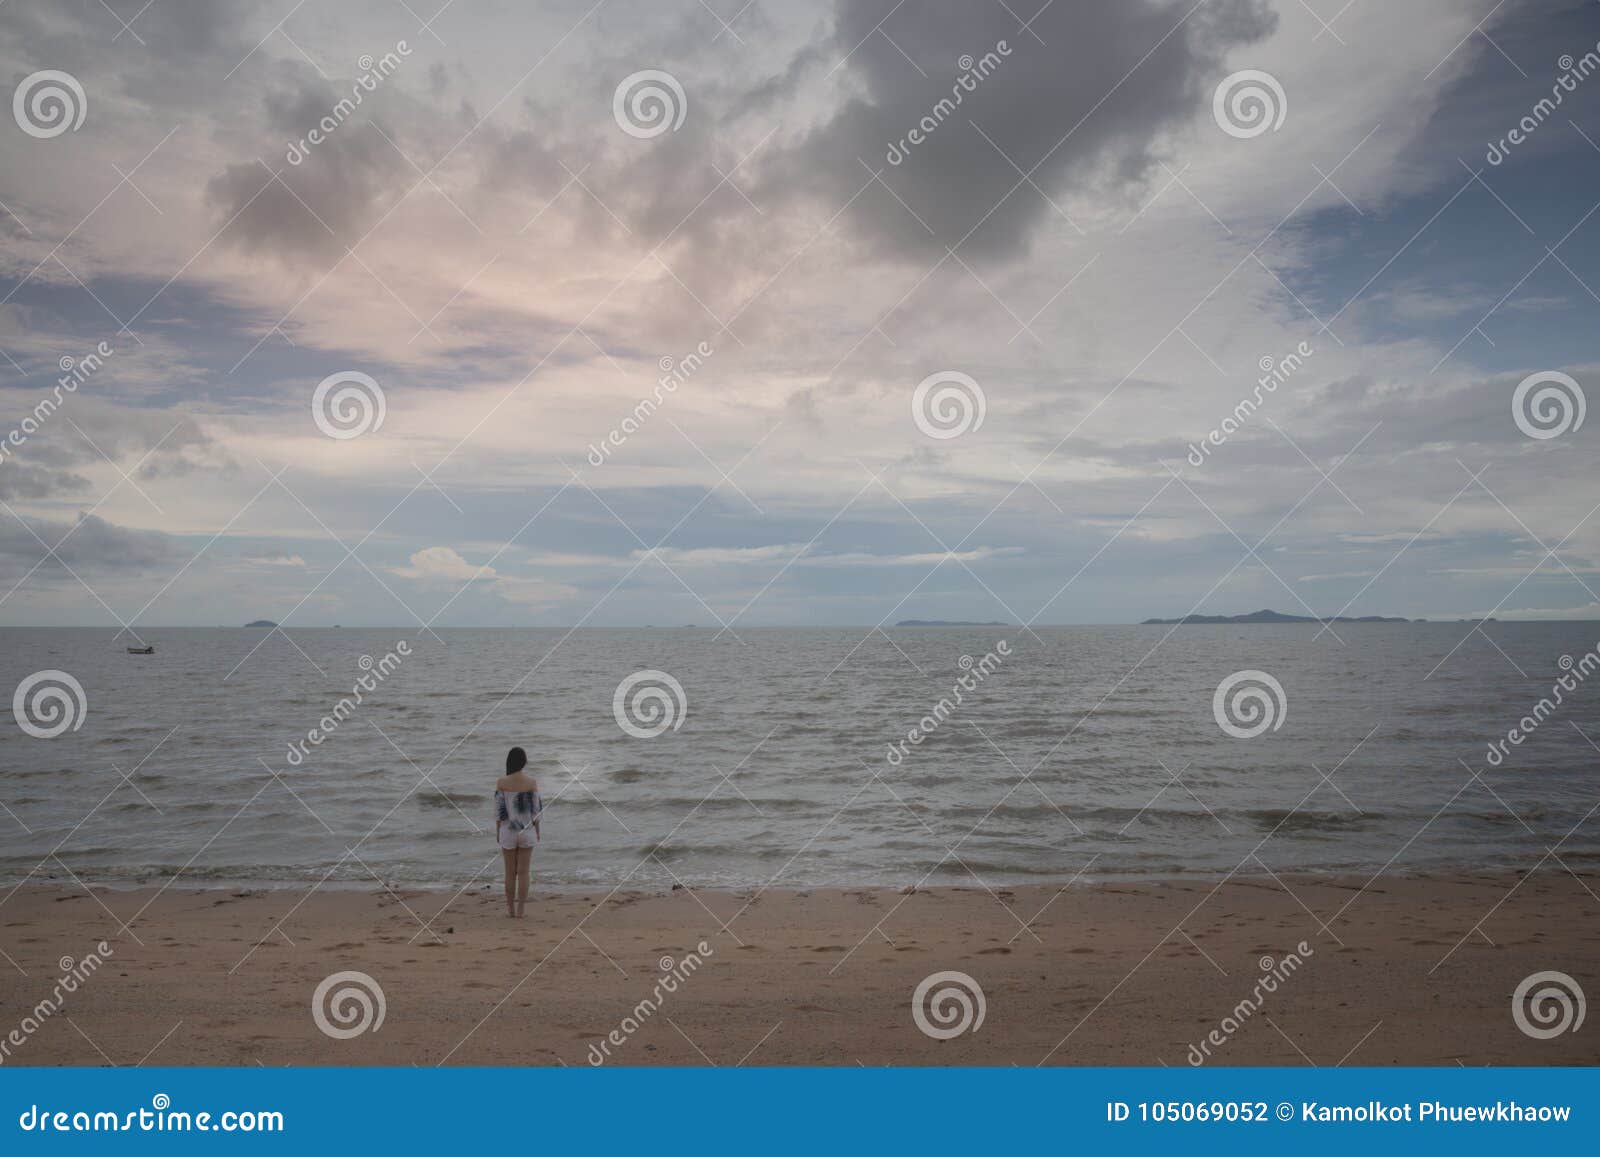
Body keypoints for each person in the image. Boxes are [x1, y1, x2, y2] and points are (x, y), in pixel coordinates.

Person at [494, 747, 542, 918]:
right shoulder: (531, 782)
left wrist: (498, 830)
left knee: (509, 872)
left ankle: (510, 910)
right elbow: (536, 811)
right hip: (526, 829)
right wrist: (537, 831)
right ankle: (521, 910)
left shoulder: (501, 782)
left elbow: (499, 811)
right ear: (524, 762)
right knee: (523, 872)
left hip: (508, 830)